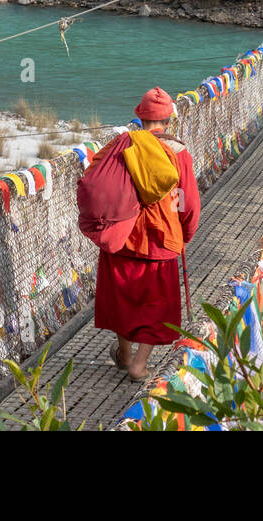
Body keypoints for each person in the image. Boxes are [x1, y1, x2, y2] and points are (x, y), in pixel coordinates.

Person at [95, 87, 200, 381]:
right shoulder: (178, 153)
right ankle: (138, 365)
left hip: (121, 238)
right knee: (157, 309)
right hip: (160, 242)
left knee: (122, 301)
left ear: (139, 118)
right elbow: (186, 202)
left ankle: (125, 353)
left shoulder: (122, 145)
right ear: (168, 121)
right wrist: (186, 233)